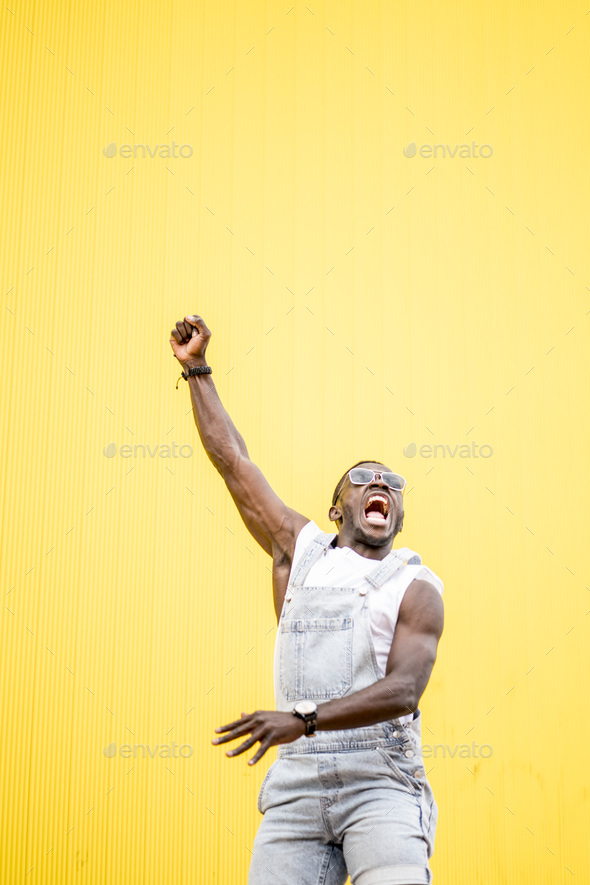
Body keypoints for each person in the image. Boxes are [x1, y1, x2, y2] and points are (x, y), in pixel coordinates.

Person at [170, 314, 445, 885]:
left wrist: (305, 718)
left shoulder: (416, 585)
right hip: (296, 787)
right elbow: (233, 462)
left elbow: (403, 690)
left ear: (399, 514)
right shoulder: (301, 553)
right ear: (337, 508)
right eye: (364, 477)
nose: (381, 485)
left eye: (393, 483)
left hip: (382, 783)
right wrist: (197, 369)